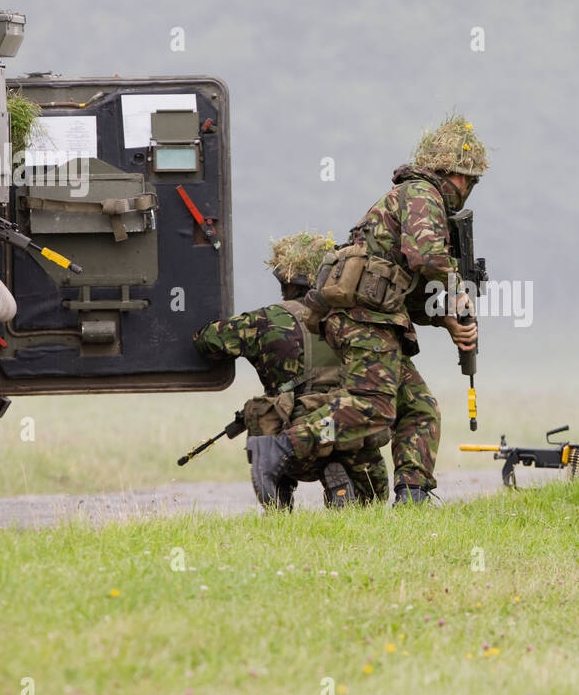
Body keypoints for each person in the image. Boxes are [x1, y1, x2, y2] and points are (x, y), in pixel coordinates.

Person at [249, 115, 485, 505]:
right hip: (363, 318)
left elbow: (405, 286)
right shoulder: (422, 194)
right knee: (373, 409)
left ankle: (413, 495)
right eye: (468, 179)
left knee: (419, 408)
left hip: (374, 316)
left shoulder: (413, 199)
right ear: (451, 172)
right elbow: (427, 257)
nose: (469, 188)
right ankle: (279, 451)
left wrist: (445, 321)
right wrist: (457, 289)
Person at [191, 232, 389, 507]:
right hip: (346, 436)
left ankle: (280, 494)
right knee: (373, 503)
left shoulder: (264, 320)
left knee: (267, 413)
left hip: (288, 440)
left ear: (285, 280)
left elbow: (206, 341)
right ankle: (340, 484)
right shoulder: (354, 320)